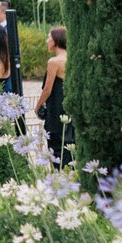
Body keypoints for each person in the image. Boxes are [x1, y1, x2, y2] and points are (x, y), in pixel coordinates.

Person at [35, 27, 71, 164]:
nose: (47, 40)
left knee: (56, 142)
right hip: (68, 104)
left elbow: (47, 89)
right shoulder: (71, 58)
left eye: (49, 37)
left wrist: (38, 106)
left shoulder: (54, 62)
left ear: (56, 40)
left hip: (56, 106)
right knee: (68, 139)